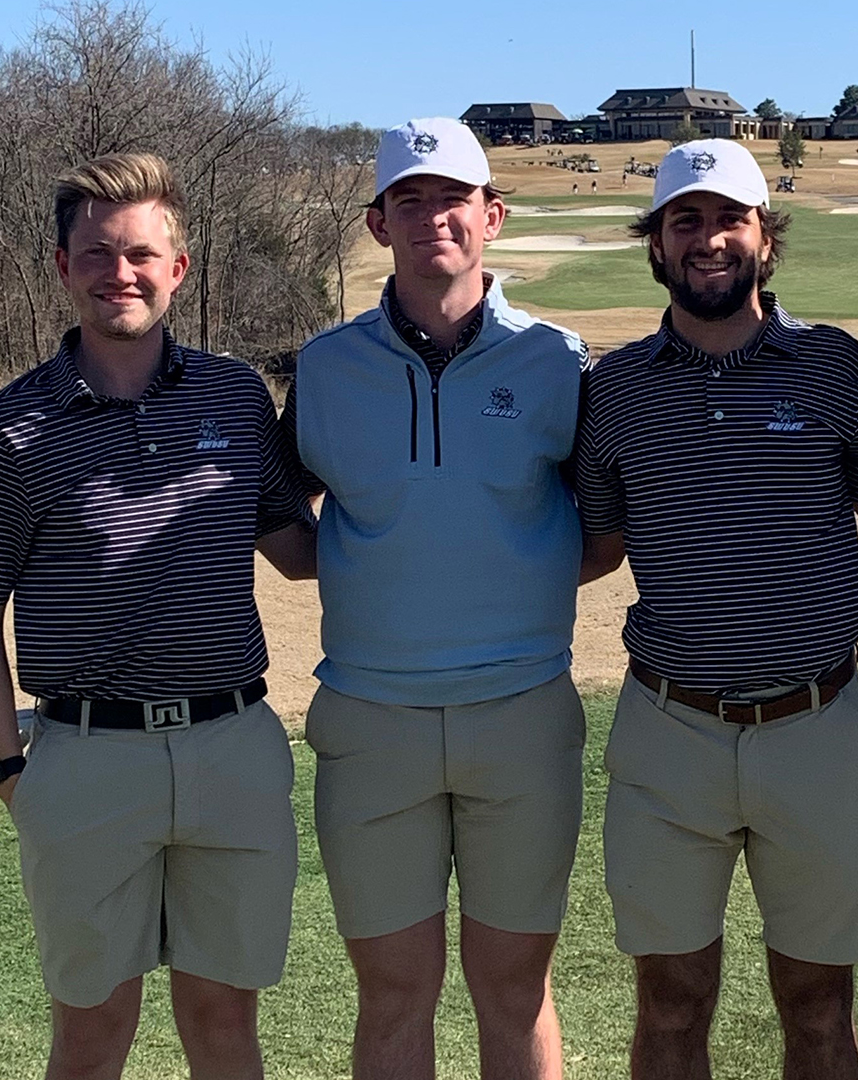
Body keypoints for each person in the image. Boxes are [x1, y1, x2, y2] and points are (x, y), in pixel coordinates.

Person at [0, 151, 316, 1080]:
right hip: (85, 760)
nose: (120, 273)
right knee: (93, 1034)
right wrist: (9, 770)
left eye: (141, 253)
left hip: (234, 748)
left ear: (179, 269)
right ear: (63, 268)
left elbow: (297, 553)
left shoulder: (233, 397)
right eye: (96, 254)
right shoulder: (5, 429)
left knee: (225, 1024)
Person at [574, 138, 858, 1080]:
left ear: (766, 238)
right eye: (686, 221)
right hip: (670, 727)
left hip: (816, 722)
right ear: (658, 245)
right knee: (670, 1006)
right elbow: (596, 548)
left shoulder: (834, 369)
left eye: (729, 219)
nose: (708, 239)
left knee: (819, 1006)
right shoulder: (616, 389)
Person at [280, 117, 590, 1080]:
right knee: (393, 998)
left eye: (452, 198)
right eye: (407, 202)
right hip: (374, 722)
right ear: (378, 226)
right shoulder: (327, 367)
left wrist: (509, 572)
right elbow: (283, 525)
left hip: (522, 715)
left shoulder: (561, 360)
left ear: (491, 214)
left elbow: (606, 526)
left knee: (515, 993)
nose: (432, 219)